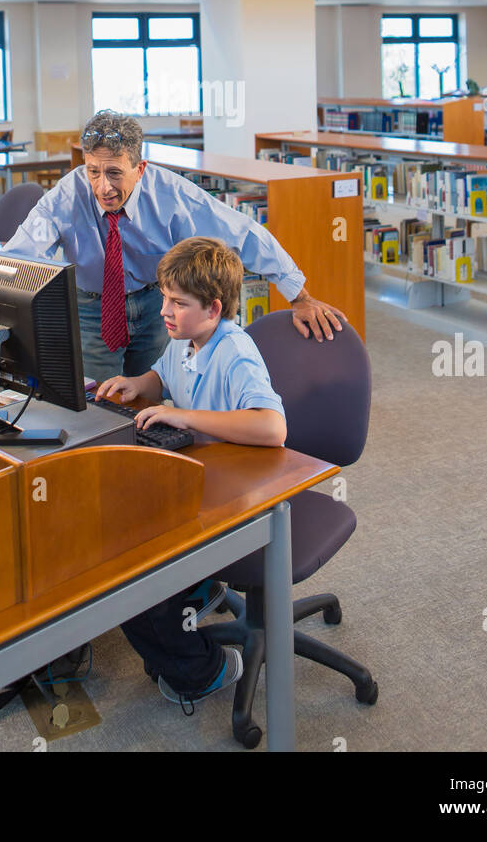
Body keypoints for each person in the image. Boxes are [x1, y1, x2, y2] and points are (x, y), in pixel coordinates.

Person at [0, 108, 347, 389]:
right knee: (99, 400)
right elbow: (17, 260)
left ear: (140, 169)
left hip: (154, 306)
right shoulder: (67, 195)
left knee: (149, 395)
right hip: (92, 308)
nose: (102, 187)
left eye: (114, 173)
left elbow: (242, 232)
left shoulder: (172, 196)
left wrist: (300, 295)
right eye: (93, 171)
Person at [98, 236, 287, 708]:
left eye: (177, 303)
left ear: (214, 309)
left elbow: (273, 427)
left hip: (236, 500)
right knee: (109, 542)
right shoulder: (185, 339)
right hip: (197, 485)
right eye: (163, 298)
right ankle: (195, 592)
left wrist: (184, 417)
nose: (165, 310)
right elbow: (162, 376)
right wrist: (135, 384)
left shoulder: (235, 351)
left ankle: (212, 668)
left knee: (133, 578)